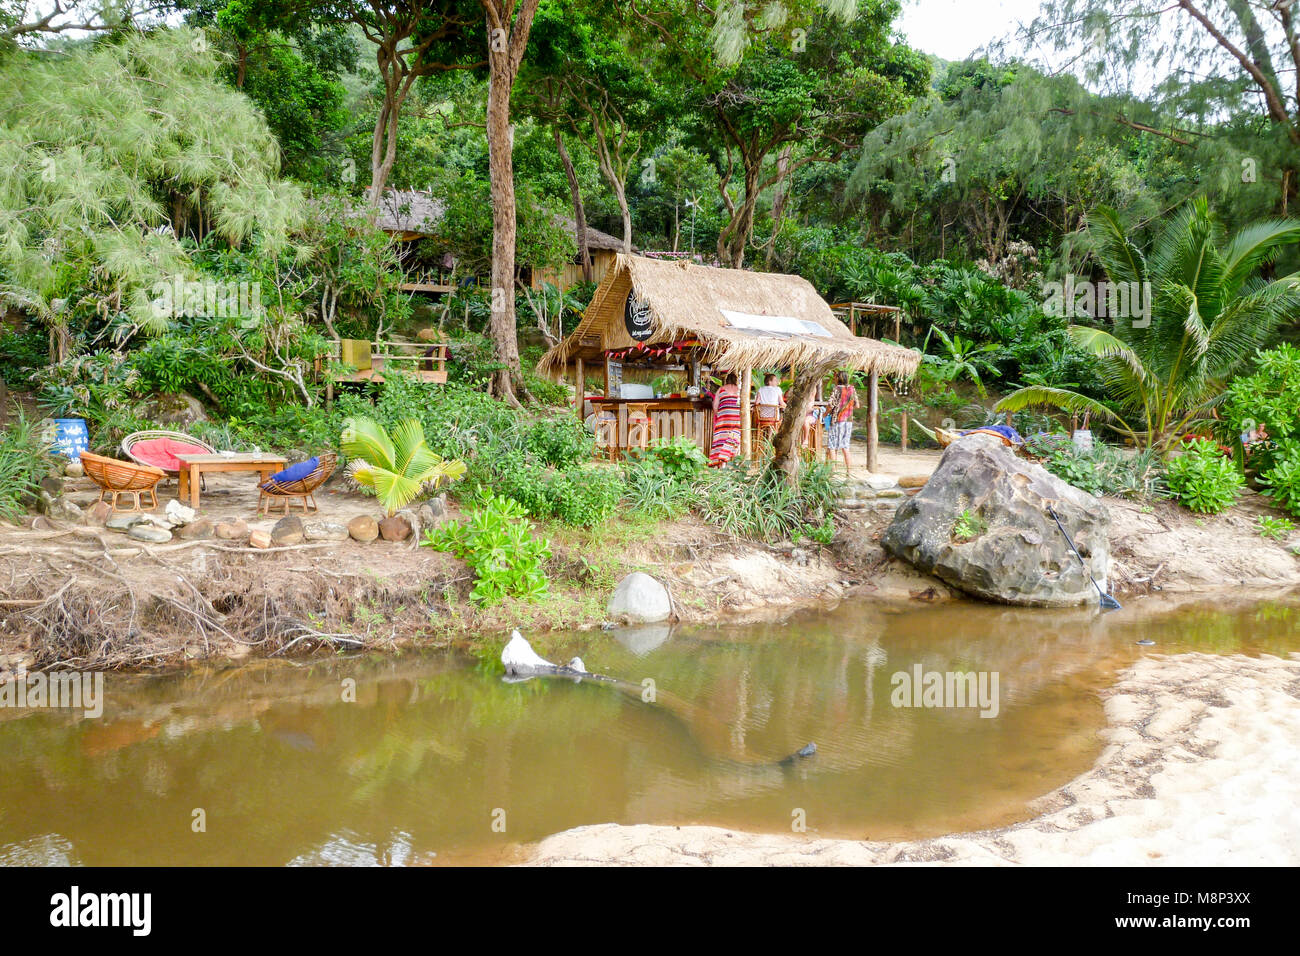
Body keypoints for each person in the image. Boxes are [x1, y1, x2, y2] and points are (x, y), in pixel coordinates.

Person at [825, 370, 859, 474]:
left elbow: (831, 405)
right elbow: (857, 405)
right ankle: (849, 471)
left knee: (832, 445)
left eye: (835, 377)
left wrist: (825, 414)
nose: (834, 379)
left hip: (837, 420)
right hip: (848, 421)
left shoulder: (837, 389)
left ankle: (834, 471)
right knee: (845, 446)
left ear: (838, 378)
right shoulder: (852, 389)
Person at [708, 372, 742, 467]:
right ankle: (736, 463)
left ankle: (722, 464)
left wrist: (718, 416)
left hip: (723, 420)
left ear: (726, 380)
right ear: (736, 380)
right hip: (736, 419)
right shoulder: (739, 390)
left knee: (721, 440)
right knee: (735, 439)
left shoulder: (721, 389)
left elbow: (715, 406)